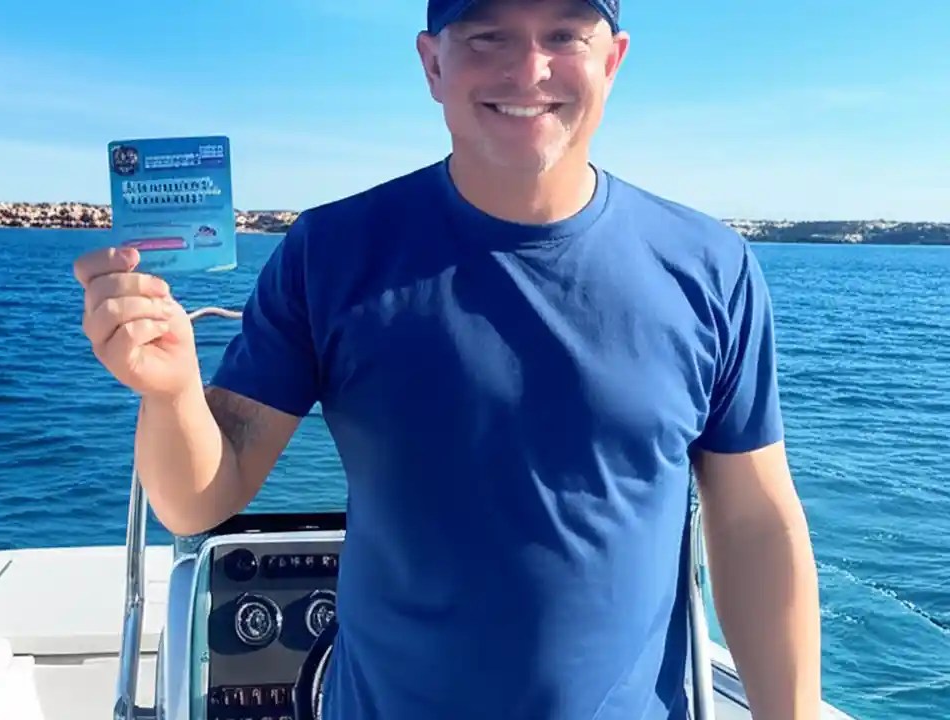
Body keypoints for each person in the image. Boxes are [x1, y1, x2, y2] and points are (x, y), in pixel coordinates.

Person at [73, 0, 823, 717]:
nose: (529, 70)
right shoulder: (331, 253)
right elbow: (199, 498)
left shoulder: (711, 267)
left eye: (564, 36)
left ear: (613, 61)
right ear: (432, 64)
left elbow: (755, 518)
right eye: (487, 37)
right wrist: (170, 391)